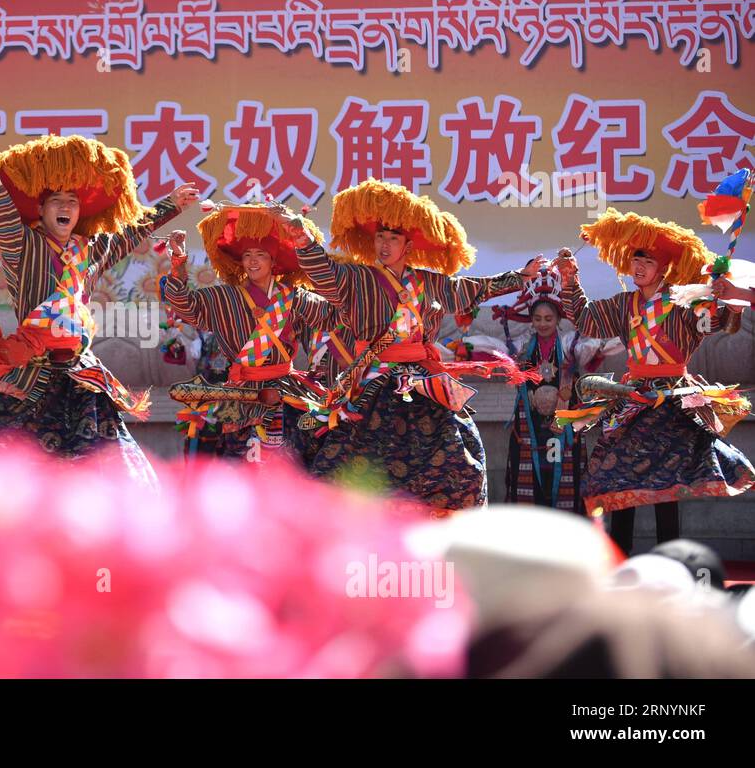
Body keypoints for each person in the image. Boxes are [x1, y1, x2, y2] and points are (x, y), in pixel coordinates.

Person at [0, 121, 199, 479]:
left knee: (106, 464)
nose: (65, 207)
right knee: (1, 458)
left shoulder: (88, 249)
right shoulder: (22, 245)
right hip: (31, 369)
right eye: (56, 201)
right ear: (41, 211)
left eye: (71, 202)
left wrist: (172, 205)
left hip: (80, 372)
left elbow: (131, 231)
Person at [293, 178, 542, 514]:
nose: (384, 244)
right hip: (373, 377)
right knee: (350, 451)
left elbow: (468, 290)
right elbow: (323, 273)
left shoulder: (427, 282)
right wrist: (302, 241)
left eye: (393, 238)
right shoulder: (357, 279)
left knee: (456, 454)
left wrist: (519, 277)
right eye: (380, 236)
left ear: (407, 245)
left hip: (423, 379)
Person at [552, 209, 754, 555]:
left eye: (646, 260)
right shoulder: (623, 303)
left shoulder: (685, 301)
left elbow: (716, 325)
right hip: (633, 399)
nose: (638, 266)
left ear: (663, 268)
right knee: (618, 481)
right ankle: (618, 560)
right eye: (635, 259)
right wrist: (570, 280)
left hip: (672, 400)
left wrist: (727, 300)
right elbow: (586, 319)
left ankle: (671, 562)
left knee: (668, 488)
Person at [159, 203, 336, 464]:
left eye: (261, 255)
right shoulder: (223, 296)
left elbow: (331, 316)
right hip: (242, 393)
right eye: (247, 255)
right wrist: (178, 261)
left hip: (285, 389)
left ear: (274, 261)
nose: (253, 261)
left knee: (291, 462)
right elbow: (185, 304)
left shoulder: (294, 297)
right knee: (238, 462)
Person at [495, 269, 620, 513]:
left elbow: (597, 348)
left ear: (558, 319)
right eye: (538, 318)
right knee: (527, 489)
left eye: (548, 319)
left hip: (564, 432)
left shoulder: (570, 344)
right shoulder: (521, 346)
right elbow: (497, 352)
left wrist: (615, 340)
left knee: (567, 487)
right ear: (531, 319)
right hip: (528, 430)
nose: (543, 324)